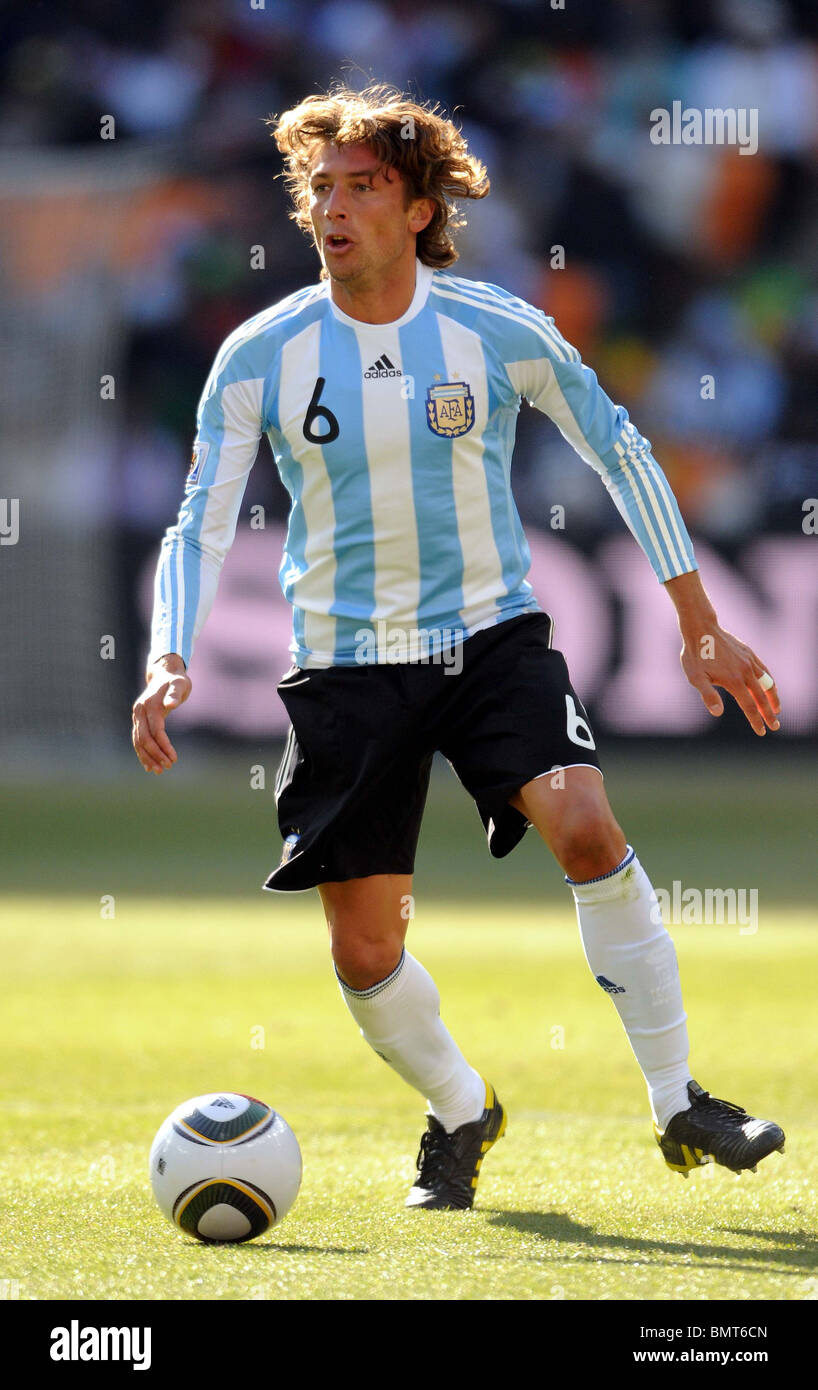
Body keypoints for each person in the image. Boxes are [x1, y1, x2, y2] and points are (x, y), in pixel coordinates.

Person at [132, 85, 785, 1212]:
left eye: (362, 187)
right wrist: (167, 652)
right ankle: (458, 1107)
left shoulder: (495, 328)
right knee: (362, 953)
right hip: (343, 667)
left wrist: (698, 620)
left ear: (420, 207)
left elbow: (618, 449)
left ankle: (679, 1097)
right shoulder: (262, 352)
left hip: (490, 639)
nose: (333, 209)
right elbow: (199, 515)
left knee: (581, 823)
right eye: (319, 189)